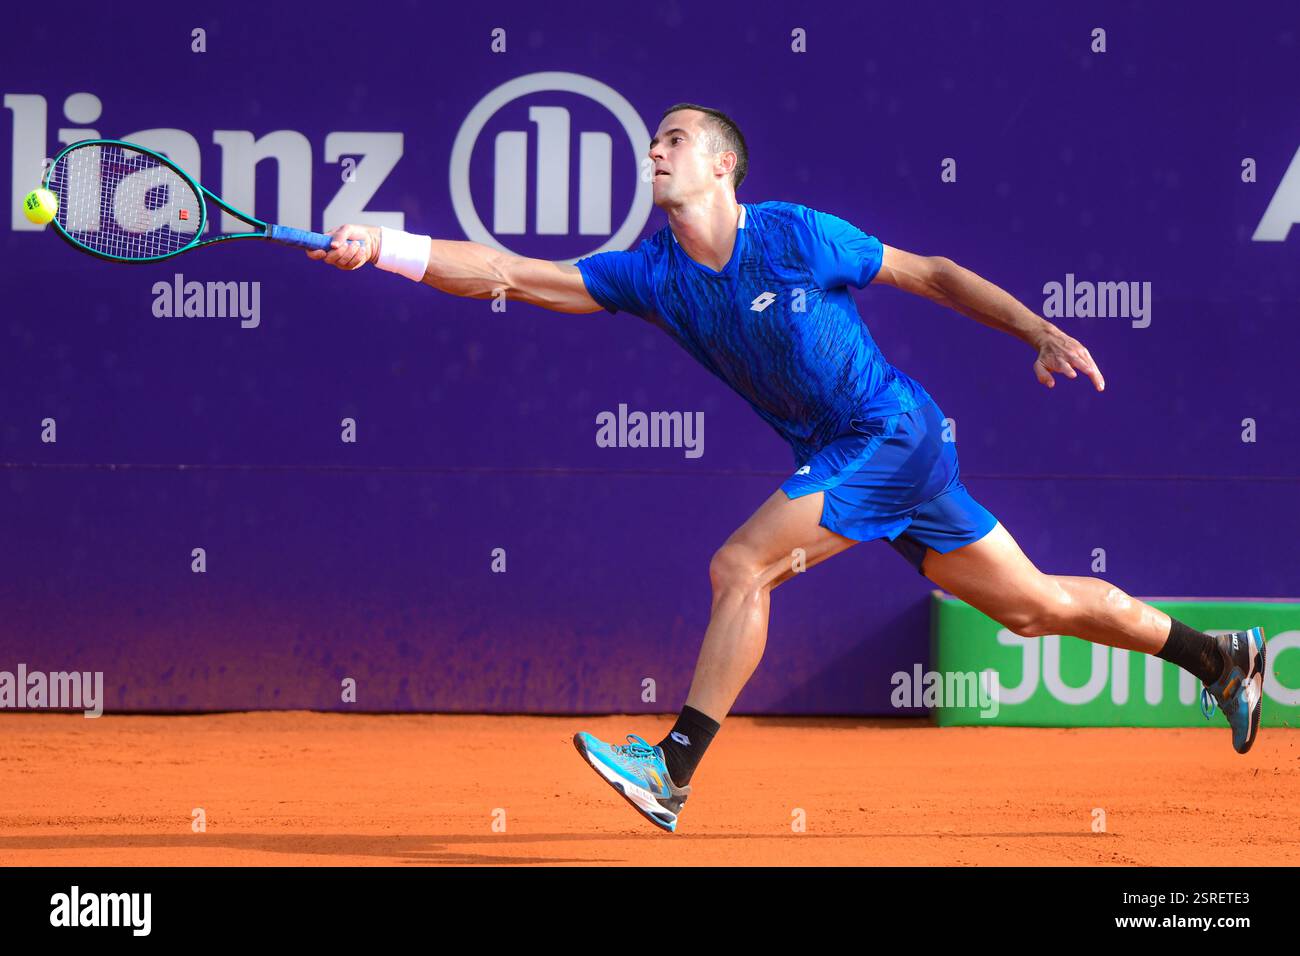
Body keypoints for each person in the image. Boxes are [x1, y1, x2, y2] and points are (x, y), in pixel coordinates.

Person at [308, 103, 1266, 833]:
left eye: (674, 139)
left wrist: (1034, 327)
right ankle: (1219, 658)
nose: (654, 150)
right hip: (867, 460)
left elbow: (928, 271)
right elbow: (512, 273)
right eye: (652, 140)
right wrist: (386, 245)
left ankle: (672, 769)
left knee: (741, 564)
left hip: (892, 432)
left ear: (723, 164)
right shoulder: (652, 273)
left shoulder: (795, 235)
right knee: (1033, 608)